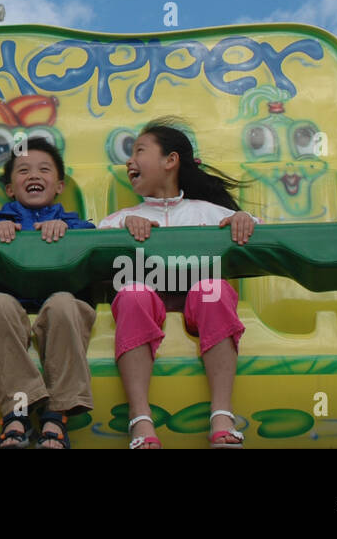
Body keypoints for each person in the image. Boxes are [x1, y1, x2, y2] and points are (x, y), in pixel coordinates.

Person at [97, 119, 257, 449]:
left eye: (139, 150)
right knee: (133, 294)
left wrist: (243, 220)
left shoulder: (208, 212)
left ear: (170, 161)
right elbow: (95, 244)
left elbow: (257, 230)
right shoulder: (122, 219)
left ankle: (222, 416)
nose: (130, 161)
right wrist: (125, 227)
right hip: (147, 304)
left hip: (198, 309)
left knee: (212, 289)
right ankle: (140, 420)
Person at [0, 137, 96, 449]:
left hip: (60, 307)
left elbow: (93, 255)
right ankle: (16, 414)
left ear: (60, 185)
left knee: (63, 303)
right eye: (23, 170)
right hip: (11, 307)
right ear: (10, 189)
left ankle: (57, 414)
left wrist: (68, 236)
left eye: (44, 170)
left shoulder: (76, 225)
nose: (34, 175)